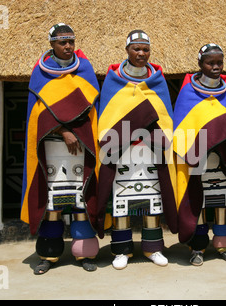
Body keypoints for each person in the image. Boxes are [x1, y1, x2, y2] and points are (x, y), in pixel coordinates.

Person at [93, 30, 177, 270]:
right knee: (122, 200)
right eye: (136, 49)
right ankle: (122, 251)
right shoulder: (113, 80)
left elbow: (165, 118)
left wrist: (154, 135)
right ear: (127, 50)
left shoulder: (157, 81)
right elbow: (108, 116)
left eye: (146, 49)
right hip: (121, 153)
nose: (141, 53)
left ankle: (153, 248)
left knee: (152, 200)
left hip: (150, 152)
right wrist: (123, 137)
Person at [21, 23, 101, 274]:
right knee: (53, 203)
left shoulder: (84, 69)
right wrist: (63, 131)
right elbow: (40, 114)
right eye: (62, 42)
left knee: (81, 201)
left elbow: (89, 109)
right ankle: (49, 255)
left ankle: (83, 255)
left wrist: (76, 132)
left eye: (71, 42)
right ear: (52, 44)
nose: (68, 47)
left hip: (82, 146)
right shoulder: (40, 73)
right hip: (51, 147)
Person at [173, 44, 226, 266]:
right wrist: (202, 145)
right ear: (200, 64)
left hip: (225, 161)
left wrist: (223, 144)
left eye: (219, 63)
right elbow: (182, 130)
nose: (216, 67)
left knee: (224, 203)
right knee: (198, 203)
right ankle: (197, 248)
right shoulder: (188, 93)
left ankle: (225, 246)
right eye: (210, 63)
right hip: (198, 162)